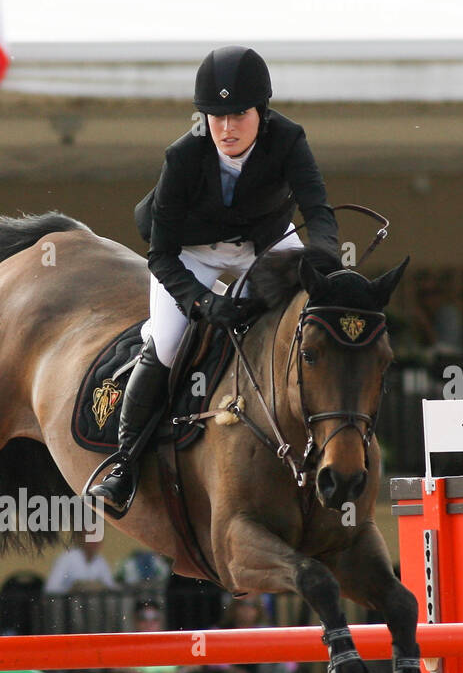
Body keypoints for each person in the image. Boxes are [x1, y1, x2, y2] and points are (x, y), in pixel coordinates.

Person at [88, 45, 339, 513]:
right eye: (214, 115)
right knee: (166, 342)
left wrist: (324, 261)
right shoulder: (184, 157)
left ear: (261, 112)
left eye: (238, 114)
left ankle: (326, 439)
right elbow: (160, 255)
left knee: (312, 312)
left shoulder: (288, 140)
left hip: (264, 244)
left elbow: (318, 212)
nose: (226, 128)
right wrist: (203, 303)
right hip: (189, 254)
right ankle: (123, 465)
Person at [43, 531, 116, 595]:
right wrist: (73, 589)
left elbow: (111, 588)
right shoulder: (67, 558)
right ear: (83, 538)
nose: (96, 541)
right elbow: (50, 588)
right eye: (92, 537)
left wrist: (100, 587)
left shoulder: (101, 561)